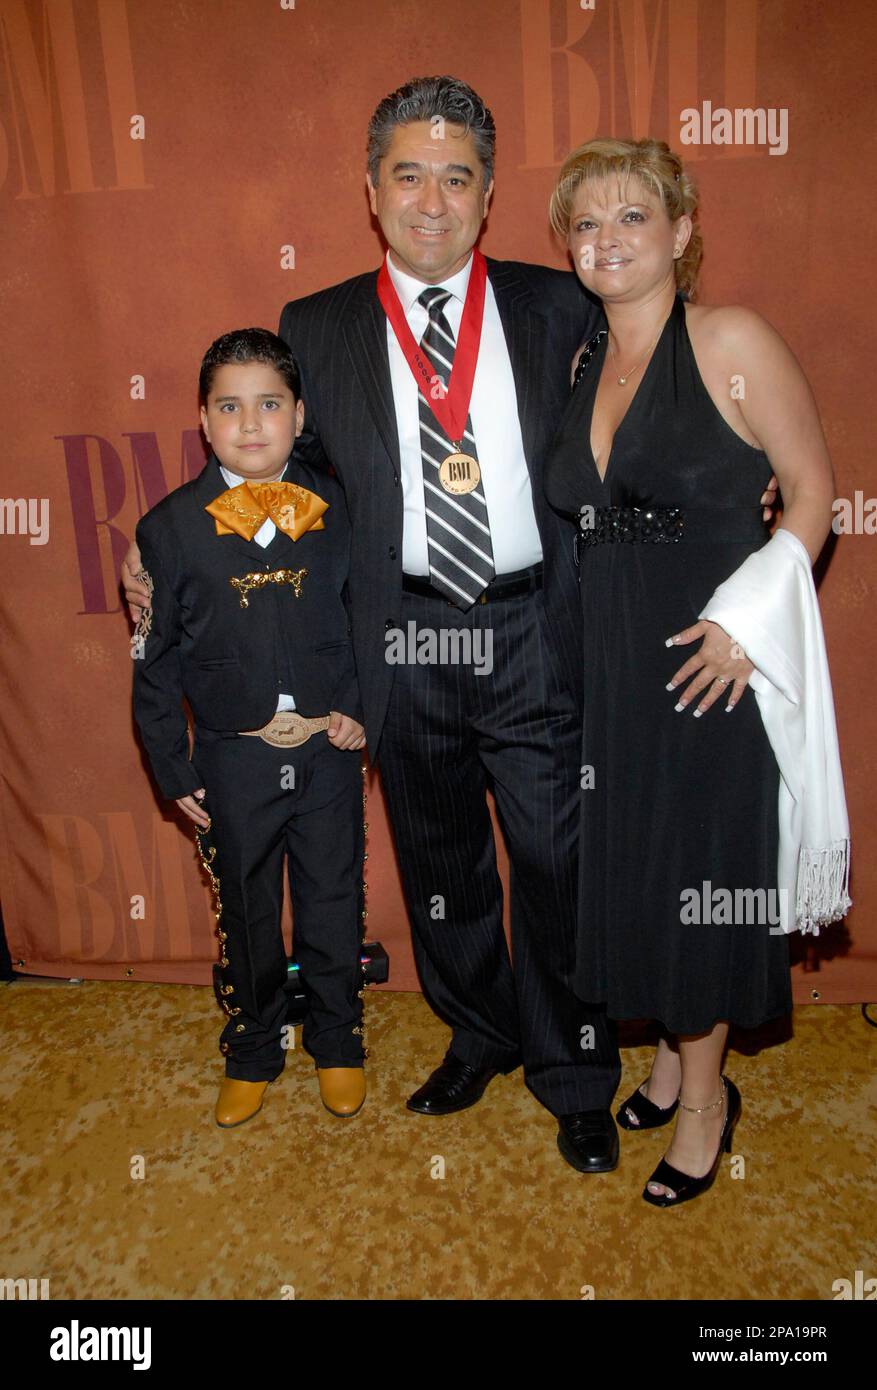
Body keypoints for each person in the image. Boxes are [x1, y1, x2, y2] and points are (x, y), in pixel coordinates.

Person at [122, 79, 776, 1174]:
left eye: (458, 176)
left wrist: (740, 493)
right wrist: (165, 544)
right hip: (398, 641)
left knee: (558, 863)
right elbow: (277, 463)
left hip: (536, 627)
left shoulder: (556, 302)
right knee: (441, 860)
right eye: (408, 174)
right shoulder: (314, 326)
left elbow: (664, 404)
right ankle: (477, 1034)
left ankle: (573, 1069)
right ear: (371, 191)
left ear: (486, 199)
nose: (433, 199)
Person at [543, 138, 844, 1206]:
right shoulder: (580, 366)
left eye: (631, 217)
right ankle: (674, 1057)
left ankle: (708, 1101)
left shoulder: (730, 341)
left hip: (709, 668)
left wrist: (749, 627)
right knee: (641, 875)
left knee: (698, 887)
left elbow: (813, 497)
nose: (606, 239)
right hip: (612, 669)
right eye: (585, 223)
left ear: (679, 231)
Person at [132, 327, 367, 1129]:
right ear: (203, 420)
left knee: (333, 901)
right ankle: (254, 1045)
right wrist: (173, 765)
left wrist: (361, 709)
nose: (251, 422)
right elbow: (154, 660)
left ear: (300, 415)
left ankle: (337, 1039)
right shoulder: (168, 528)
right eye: (230, 406)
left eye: (269, 404)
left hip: (329, 754)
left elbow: (373, 621)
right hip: (232, 762)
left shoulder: (344, 508)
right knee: (246, 910)